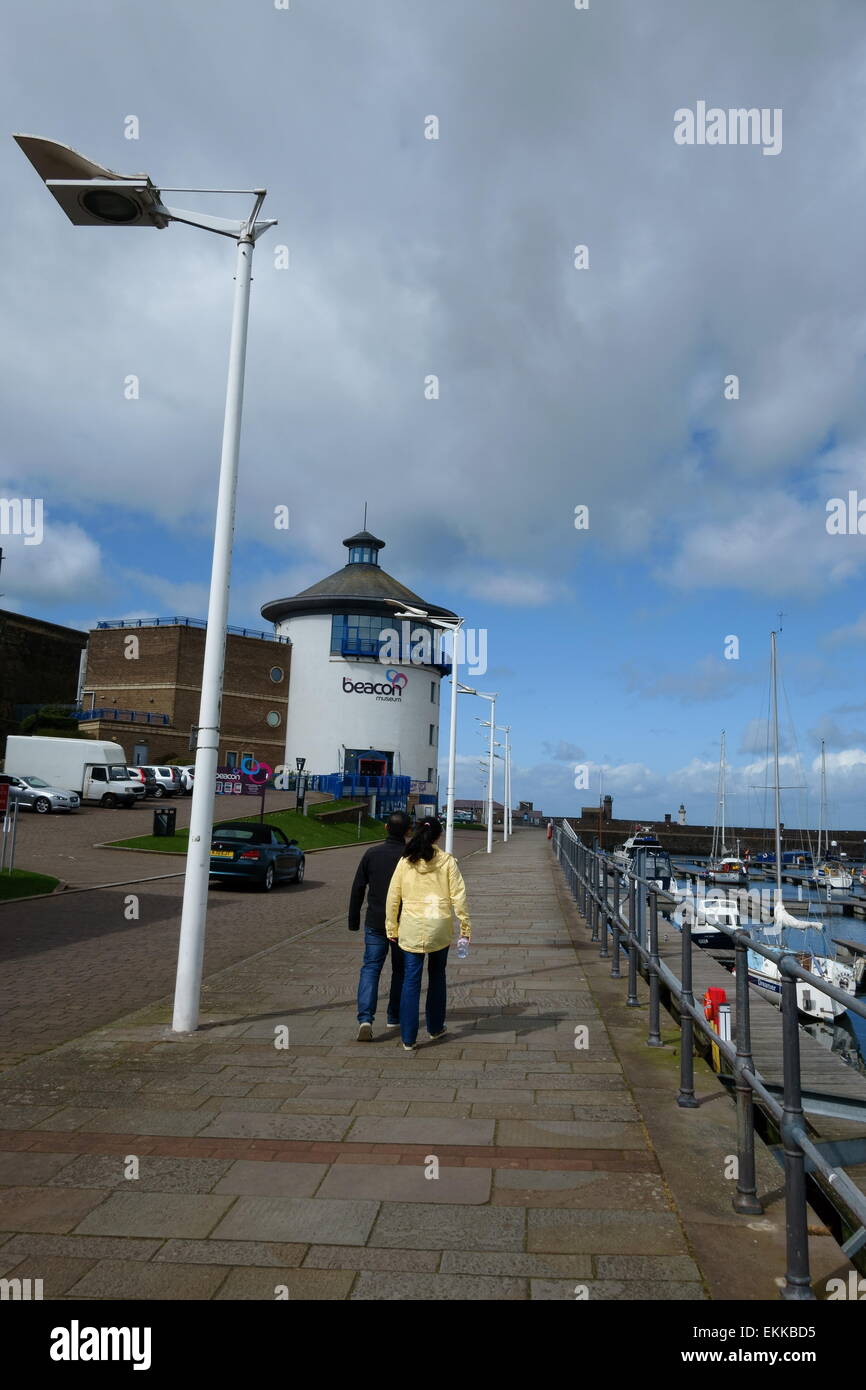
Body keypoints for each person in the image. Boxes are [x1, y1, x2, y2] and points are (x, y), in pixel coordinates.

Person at [385, 816, 471, 1052]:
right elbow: (459, 897)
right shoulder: (447, 862)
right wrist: (465, 928)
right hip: (439, 926)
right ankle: (434, 1027)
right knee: (437, 977)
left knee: (411, 981)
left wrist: (391, 926)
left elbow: (393, 896)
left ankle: (408, 1037)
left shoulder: (405, 861)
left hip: (411, 927)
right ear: (438, 836)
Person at [348, 810, 411, 1041]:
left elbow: (357, 888)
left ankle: (365, 1018)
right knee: (400, 971)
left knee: (371, 968)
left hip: (375, 921)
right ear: (408, 831)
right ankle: (393, 1015)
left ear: (386, 828)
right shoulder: (410, 856)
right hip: (403, 923)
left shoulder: (372, 853)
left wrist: (353, 920)